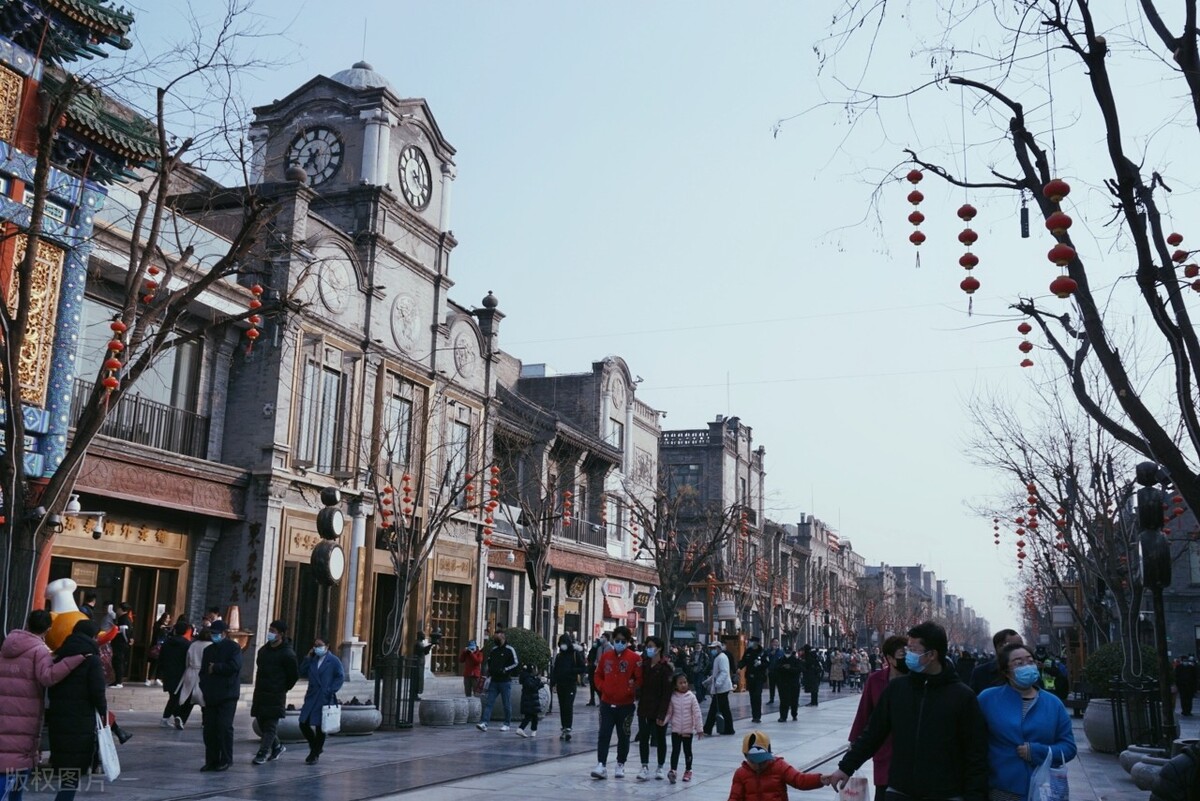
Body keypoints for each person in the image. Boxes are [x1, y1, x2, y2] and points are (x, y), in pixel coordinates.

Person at [829, 621, 988, 801]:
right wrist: (846, 767)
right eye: (907, 649)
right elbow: (873, 734)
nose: (908, 655)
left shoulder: (962, 696)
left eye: (913, 650)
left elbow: (976, 754)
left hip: (945, 792)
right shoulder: (897, 689)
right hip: (900, 790)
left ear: (932, 654)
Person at [0, 609, 89, 801]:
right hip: (24, 714)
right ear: (48, 629)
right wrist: (74, 659)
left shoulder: (7, 646)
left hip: (4, 710)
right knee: (16, 762)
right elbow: (47, 676)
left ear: (27, 624)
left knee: (7, 760)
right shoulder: (38, 650)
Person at [978, 643, 1076, 801]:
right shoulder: (988, 699)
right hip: (1002, 789)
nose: (1027, 666)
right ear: (1006, 671)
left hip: (1044, 790)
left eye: (1030, 661)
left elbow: (1069, 747)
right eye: (1019, 663)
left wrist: (1037, 752)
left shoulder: (1053, 703)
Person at [46, 619, 108, 801]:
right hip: (81, 720)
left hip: (58, 717)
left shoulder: (60, 655)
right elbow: (98, 692)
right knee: (73, 770)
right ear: (92, 637)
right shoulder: (92, 660)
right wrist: (103, 711)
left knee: (65, 764)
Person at [847, 634, 908, 801]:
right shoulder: (875, 680)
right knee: (883, 790)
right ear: (890, 658)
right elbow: (864, 712)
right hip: (883, 746)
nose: (907, 658)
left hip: (908, 749)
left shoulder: (915, 680)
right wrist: (854, 743)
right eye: (903, 654)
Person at [590, 625, 642, 780]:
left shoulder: (634, 658)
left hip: (625, 705)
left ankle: (620, 764)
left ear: (627, 642)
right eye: (617, 640)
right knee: (604, 734)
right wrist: (602, 687)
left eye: (623, 641)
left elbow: (639, 679)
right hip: (607, 703)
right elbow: (598, 675)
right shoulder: (606, 657)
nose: (619, 643)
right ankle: (601, 764)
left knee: (623, 735)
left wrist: (631, 689)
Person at [727, 730, 830, 800]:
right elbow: (735, 797)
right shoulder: (741, 774)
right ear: (745, 756)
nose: (758, 766)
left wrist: (819, 779)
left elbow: (799, 780)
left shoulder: (779, 767)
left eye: (762, 761)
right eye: (754, 762)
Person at [250, 620, 299, 765]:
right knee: (262, 723)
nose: (270, 633)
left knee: (270, 725)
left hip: (276, 694)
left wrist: (282, 687)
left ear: (281, 634)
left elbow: (293, 676)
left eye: (273, 631)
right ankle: (277, 746)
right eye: (269, 630)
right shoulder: (263, 651)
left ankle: (262, 753)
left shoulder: (288, 654)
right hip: (261, 692)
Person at [198, 620, 242, 771]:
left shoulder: (234, 647)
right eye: (212, 633)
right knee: (209, 729)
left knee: (224, 727)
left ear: (224, 634)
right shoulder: (208, 650)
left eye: (216, 634)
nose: (213, 636)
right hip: (211, 694)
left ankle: (226, 759)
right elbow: (203, 671)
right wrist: (204, 686)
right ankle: (211, 760)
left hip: (227, 694)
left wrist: (216, 667)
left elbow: (234, 666)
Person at [297, 636, 345, 764]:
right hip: (312, 695)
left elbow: (340, 676)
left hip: (324, 697)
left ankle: (314, 754)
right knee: (303, 723)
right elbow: (302, 671)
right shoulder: (313, 659)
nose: (316, 648)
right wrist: (307, 658)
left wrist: (331, 689)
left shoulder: (333, 660)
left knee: (320, 726)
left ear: (327, 646)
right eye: (315, 645)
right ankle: (315, 747)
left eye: (319, 645)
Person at [635, 635, 673, 781]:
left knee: (660, 738)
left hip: (659, 709)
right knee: (644, 738)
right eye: (647, 646)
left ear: (659, 648)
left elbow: (667, 693)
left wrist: (662, 714)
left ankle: (660, 766)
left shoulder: (665, 668)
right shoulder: (643, 665)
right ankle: (644, 766)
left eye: (651, 646)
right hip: (644, 707)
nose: (648, 649)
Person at [662, 671, 703, 784]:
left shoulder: (691, 697)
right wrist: (663, 722)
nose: (683, 685)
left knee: (687, 751)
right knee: (675, 751)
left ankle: (688, 770)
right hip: (676, 730)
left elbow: (697, 713)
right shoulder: (673, 697)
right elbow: (669, 713)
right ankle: (673, 770)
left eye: (685, 682)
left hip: (687, 730)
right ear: (675, 685)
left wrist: (699, 729)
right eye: (680, 683)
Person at [476, 630, 519, 732]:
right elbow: (489, 662)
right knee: (489, 703)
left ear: (503, 638)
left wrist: (505, 670)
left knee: (506, 703)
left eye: (497, 638)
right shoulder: (493, 650)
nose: (496, 640)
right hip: (494, 680)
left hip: (505, 681)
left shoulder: (510, 649)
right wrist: (489, 672)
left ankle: (507, 724)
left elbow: (516, 663)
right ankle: (484, 723)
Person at [549, 632, 587, 740]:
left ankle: (568, 727)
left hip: (570, 684)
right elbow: (555, 670)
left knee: (568, 705)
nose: (563, 645)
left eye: (564, 643)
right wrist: (553, 682)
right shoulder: (559, 656)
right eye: (561, 643)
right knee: (562, 707)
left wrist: (572, 671)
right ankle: (564, 727)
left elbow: (583, 668)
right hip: (561, 685)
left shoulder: (575, 654)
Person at [158, 618, 193, 729]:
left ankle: (174, 716)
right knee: (176, 697)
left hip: (168, 672)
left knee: (173, 696)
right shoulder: (187, 644)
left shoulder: (167, 642)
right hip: (181, 673)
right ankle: (167, 717)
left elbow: (161, 657)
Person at [175, 626, 212, 730]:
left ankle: (181, 718)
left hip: (191, 672)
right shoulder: (211, 645)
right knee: (204, 699)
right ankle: (205, 722)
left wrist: (188, 669)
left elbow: (187, 659)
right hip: (204, 673)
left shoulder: (194, 644)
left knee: (189, 697)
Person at [970, 629, 1023, 694]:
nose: (1019, 650)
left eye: (1020, 646)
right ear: (999, 648)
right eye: (1013, 646)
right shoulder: (980, 673)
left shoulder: (1029, 669)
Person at [702, 640, 735, 736]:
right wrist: (708, 681)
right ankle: (728, 728)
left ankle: (707, 729)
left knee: (714, 709)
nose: (712, 650)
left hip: (721, 688)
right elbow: (716, 673)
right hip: (721, 688)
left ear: (718, 648)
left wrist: (717, 683)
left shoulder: (722, 658)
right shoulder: (719, 657)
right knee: (724, 709)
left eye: (713, 648)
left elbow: (724, 672)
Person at [739, 635, 769, 723]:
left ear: (756, 643)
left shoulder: (762, 652)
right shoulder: (748, 651)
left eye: (752, 641)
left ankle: (758, 716)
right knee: (752, 696)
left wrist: (761, 664)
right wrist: (739, 667)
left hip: (759, 677)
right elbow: (744, 661)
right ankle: (754, 715)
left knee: (757, 695)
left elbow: (767, 663)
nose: (750, 643)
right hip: (750, 677)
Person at [108, 601, 134, 688]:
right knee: (117, 662)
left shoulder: (124, 619)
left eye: (118, 608)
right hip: (121, 644)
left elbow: (124, 631)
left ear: (122, 609)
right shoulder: (125, 618)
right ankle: (117, 681)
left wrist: (127, 640)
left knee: (118, 662)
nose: (117, 610)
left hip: (120, 644)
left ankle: (119, 682)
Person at [775, 647, 803, 721]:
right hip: (783, 683)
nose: (787, 653)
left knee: (794, 700)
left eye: (789, 651)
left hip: (794, 683)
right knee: (783, 700)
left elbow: (799, 669)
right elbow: (776, 668)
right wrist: (783, 667)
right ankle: (783, 716)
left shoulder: (796, 660)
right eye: (786, 651)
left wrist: (790, 668)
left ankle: (794, 714)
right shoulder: (781, 660)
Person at [515, 663, 543, 737]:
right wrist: (538, 680)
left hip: (531, 700)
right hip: (530, 701)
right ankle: (521, 728)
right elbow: (531, 686)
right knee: (529, 716)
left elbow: (534, 687)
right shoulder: (527, 678)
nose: (536, 671)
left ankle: (533, 730)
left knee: (534, 716)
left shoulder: (529, 678)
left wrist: (540, 685)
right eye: (535, 669)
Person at [144, 611, 172, 686]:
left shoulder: (168, 627)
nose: (168, 619)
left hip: (164, 647)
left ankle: (158, 678)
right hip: (156, 647)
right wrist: (160, 628)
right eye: (167, 618)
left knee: (161, 663)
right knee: (154, 663)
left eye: (168, 618)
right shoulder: (157, 625)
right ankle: (149, 678)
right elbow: (155, 633)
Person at [765, 637, 784, 705]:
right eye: (774, 642)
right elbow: (766, 659)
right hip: (771, 671)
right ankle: (771, 699)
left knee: (780, 686)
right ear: (771, 643)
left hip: (779, 672)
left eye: (777, 642)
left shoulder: (781, 652)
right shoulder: (768, 651)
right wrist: (771, 654)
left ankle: (782, 699)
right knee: (771, 686)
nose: (775, 643)